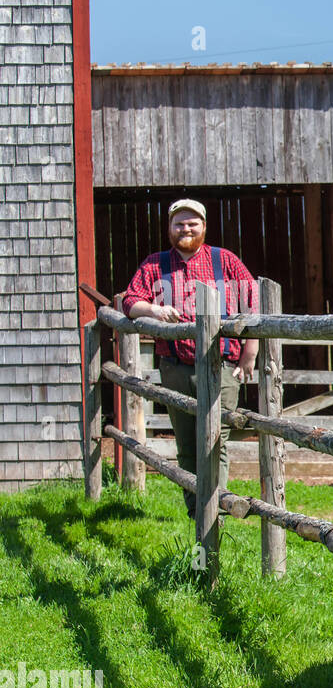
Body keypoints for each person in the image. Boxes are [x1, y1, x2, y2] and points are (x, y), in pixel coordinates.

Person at [121, 199, 259, 519]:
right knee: (186, 443)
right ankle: (197, 509)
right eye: (179, 224)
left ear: (204, 226)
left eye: (192, 223)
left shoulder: (223, 260)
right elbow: (129, 302)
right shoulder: (155, 265)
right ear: (170, 228)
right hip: (175, 367)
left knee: (216, 440)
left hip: (221, 366)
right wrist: (153, 309)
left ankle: (217, 508)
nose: (186, 229)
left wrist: (248, 355)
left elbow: (253, 306)